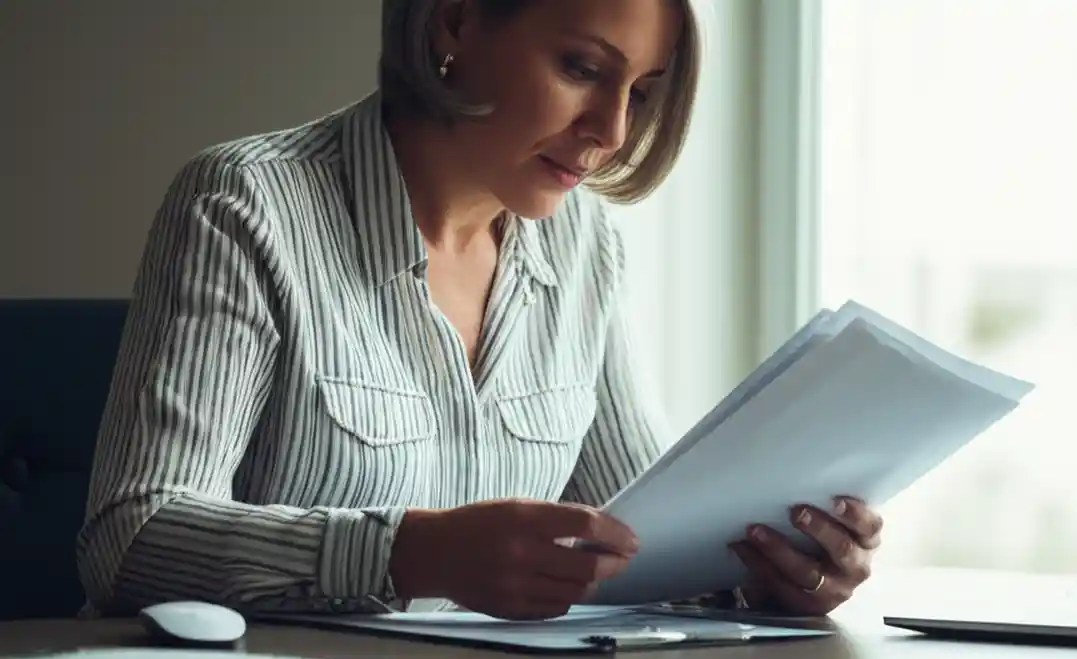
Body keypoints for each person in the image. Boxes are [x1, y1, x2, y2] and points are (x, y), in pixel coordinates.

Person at [77, 0, 883, 621]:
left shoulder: (584, 245)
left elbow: (639, 542)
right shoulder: (245, 205)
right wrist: (407, 553)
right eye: (581, 68)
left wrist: (770, 574)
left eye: (638, 91)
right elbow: (130, 540)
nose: (610, 131)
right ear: (455, 22)